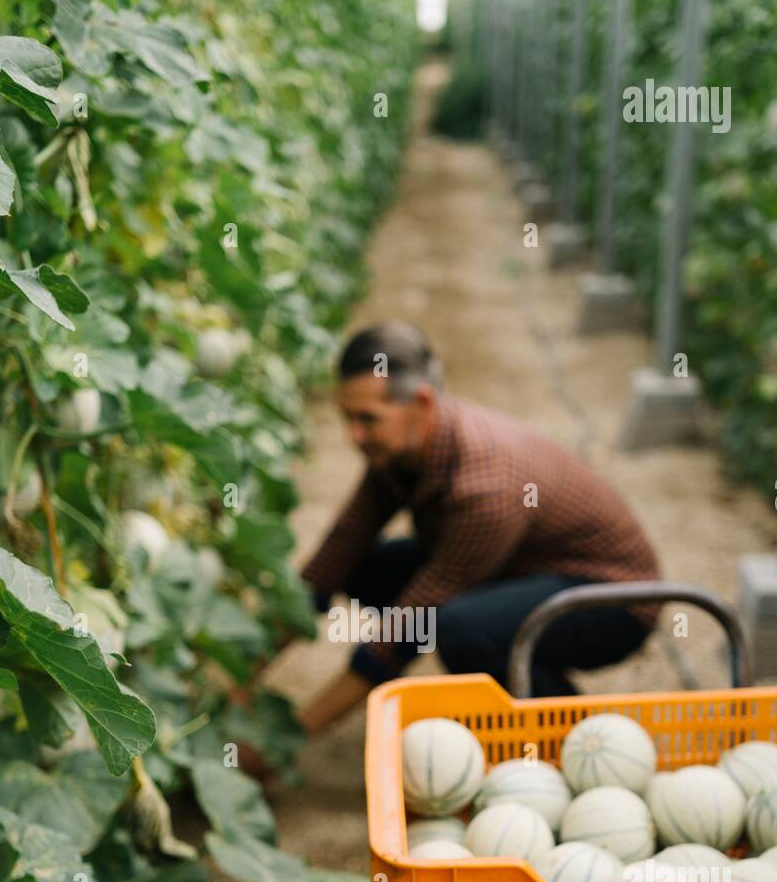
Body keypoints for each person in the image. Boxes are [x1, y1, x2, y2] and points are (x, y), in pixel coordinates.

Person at [238, 322, 660, 762]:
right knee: (365, 568)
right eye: (347, 418)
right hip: (520, 567)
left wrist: (287, 745)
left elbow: (405, 632)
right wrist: (241, 674)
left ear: (420, 402)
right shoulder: (401, 446)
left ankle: (565, 734)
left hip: (612, 599)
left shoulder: (485, 486)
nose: (354, 437)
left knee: (455, 627)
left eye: (366, 419)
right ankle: (511, 673)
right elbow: (336, 556)